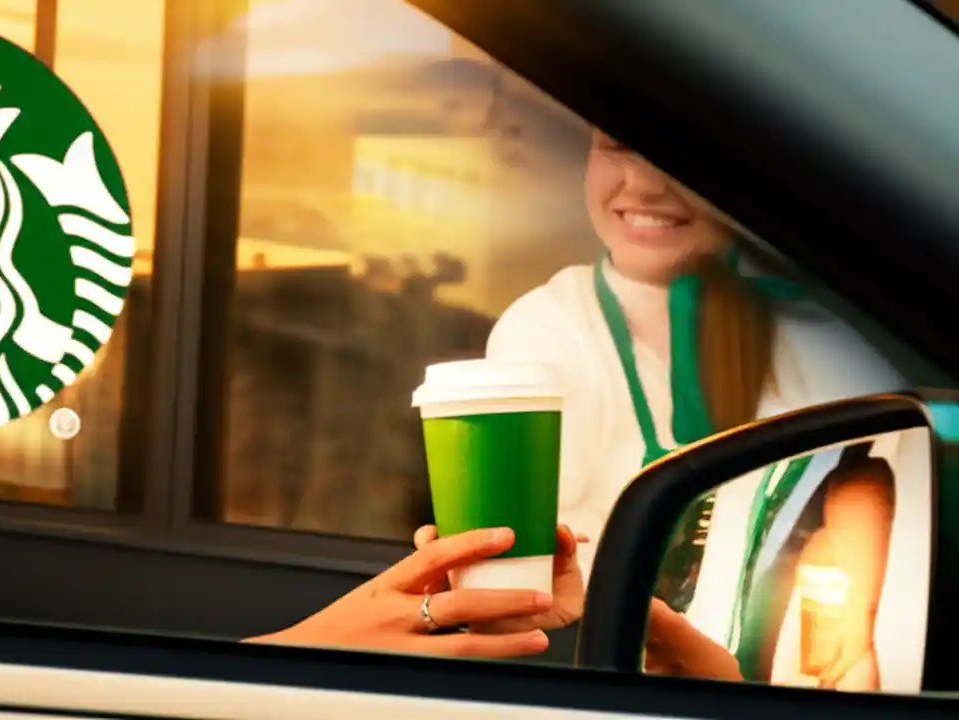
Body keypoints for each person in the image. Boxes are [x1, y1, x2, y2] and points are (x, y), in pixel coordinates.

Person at [247, 128, 904, 677]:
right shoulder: (549, 332)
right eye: (617, 145)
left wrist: (854, 524)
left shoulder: (823, 332)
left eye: (678, 151)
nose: (644, 184)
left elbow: (890, 455)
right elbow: (517, 588)